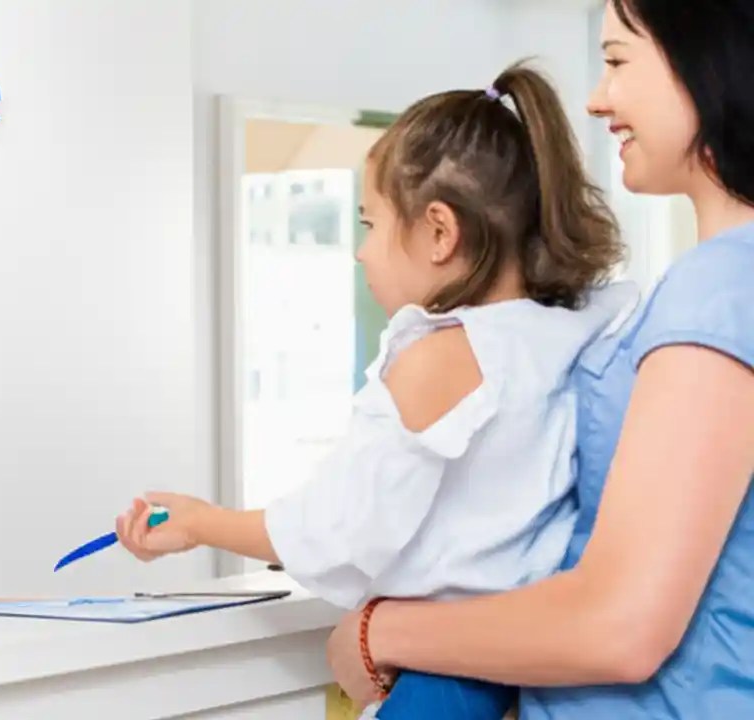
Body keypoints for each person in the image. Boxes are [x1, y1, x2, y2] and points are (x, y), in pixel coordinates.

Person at [114, 60, 634, 718]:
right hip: (527, 666)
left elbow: (337, 532)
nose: (362, 253)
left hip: (444, 674)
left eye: (371, 225)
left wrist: (201, 523)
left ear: (441, 232)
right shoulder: (573, 328)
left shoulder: (439, 357)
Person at [323, 1, 754, 718]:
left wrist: (380, 630)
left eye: (617, 61)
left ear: (704, 61)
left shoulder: (717, 288)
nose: (596, 98)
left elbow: (621, 625)